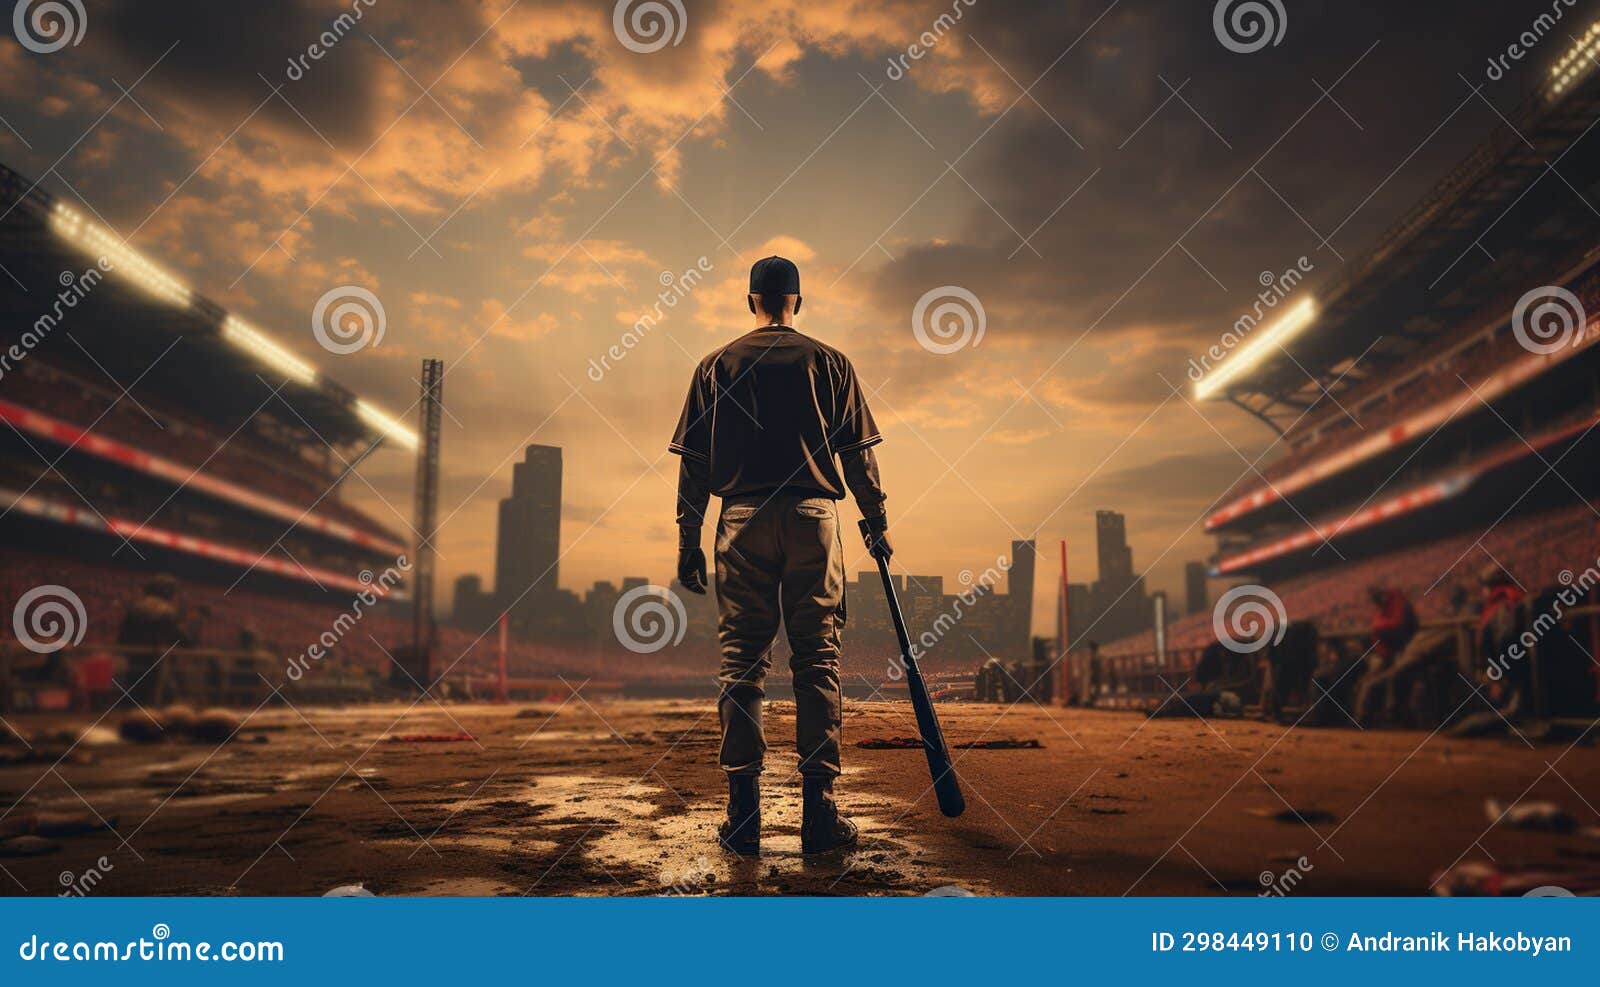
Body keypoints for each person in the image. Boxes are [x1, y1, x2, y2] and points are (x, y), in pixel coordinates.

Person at [669, 255, 888, 855]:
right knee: (817, 662)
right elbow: (858, 458)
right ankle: (819, 815)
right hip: (814, 519)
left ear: (751, 301)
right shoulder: (831, 362)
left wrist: (688, 539)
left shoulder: (714, 365)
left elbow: (694, 466)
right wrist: (876, 522)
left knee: (742, 665)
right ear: (799, 301)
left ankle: (744, 818)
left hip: (741, 519)